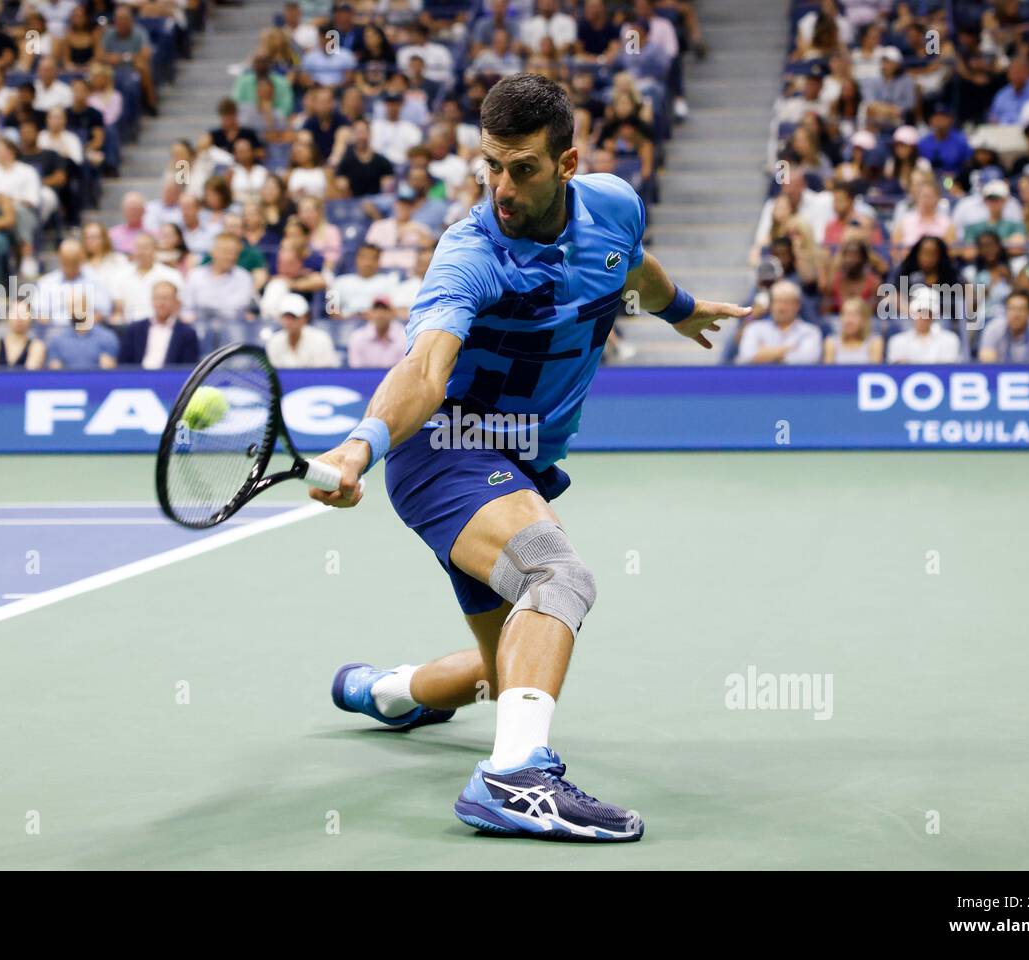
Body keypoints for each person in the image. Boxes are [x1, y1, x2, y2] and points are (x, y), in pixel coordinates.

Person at [311, 75, 748, 842]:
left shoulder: (612, 204)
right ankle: (512, 780)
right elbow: (423, 371)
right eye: (490, 166)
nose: (502, 188)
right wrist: (361, 445)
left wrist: (678, 310)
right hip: (444, 455)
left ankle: (385, 692)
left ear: (568, 163)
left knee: (509, 671)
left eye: (523, 169)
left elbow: (628, 267)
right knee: (558, 575)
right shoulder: (469, 255)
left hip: (517, 468)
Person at [116, 281, 200, 368]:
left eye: (165, 298)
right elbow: (123, 363)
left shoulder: (187, 333)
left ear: (176, 302)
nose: (161, 303)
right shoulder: (135, 329)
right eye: (157, 298)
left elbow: (188, 368)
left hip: (169, 379)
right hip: (138, 377)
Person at [885, 286, 961, 363]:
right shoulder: (897, 342)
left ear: (934, 315)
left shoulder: (950, 340)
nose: (924, 317)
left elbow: (947, 369)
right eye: (920, 311)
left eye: (928, 312)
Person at [978, 289, 1029, 363]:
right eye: (1011, 309)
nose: (1016, 315)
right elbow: (986, 359)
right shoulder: (994, 328)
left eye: (1021, 309)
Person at [265, 292, 338, 368]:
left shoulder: (321, 339)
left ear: (305, 317)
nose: (288, 322)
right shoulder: (274, 342)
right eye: (285, 317)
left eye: (293, 317)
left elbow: (324, 374)